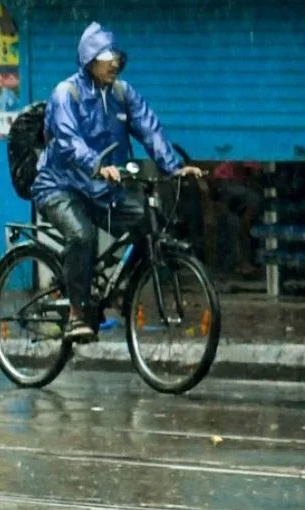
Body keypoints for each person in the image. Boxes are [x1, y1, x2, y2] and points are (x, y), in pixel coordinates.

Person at [30, 22, 202, 342]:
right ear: (88, 60)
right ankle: (77, 313)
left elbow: (149, 128)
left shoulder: (123, 94)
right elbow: (68, 141)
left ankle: (126, 292)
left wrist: (173, 166)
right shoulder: (66, 94)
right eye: (106, 56)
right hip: (59, 186)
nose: (114, 63)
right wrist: (95, 164)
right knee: (81, 236)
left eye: (116, 57)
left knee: (150, 226)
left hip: (103, 190)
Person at [211, 161, 263, 278]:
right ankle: (243, 263)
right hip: (225, 184)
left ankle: (243, 263)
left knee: (233, 221)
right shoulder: (244, 149)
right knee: (255, 199)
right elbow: (254, 170)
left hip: (231, 189)